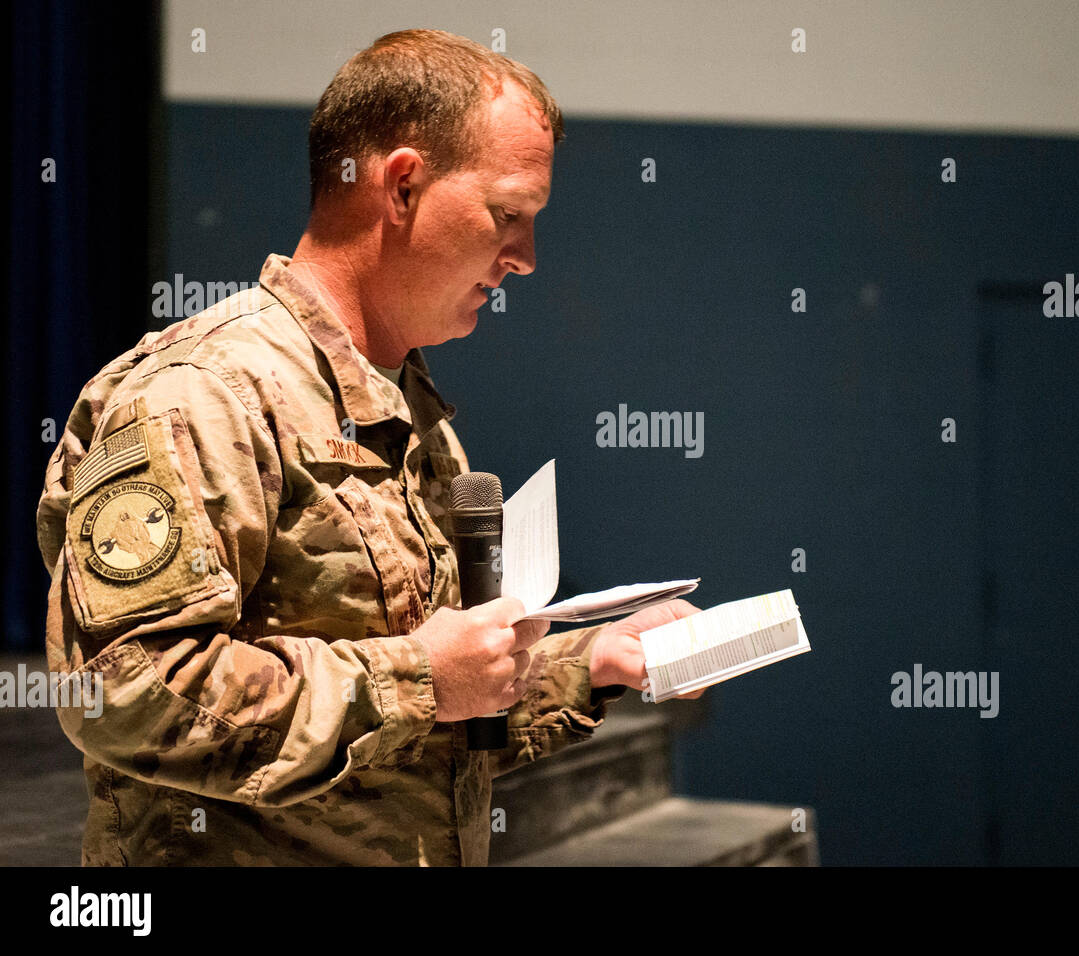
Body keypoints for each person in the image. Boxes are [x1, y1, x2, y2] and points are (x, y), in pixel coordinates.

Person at [35, 28, 700, 866]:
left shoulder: (408, 413)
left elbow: (432, 718)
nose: (526, 258)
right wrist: (420, 677)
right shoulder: (201, 394)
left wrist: (588, 662)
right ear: (402, 184)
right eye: (508, 215)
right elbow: (120, 694)